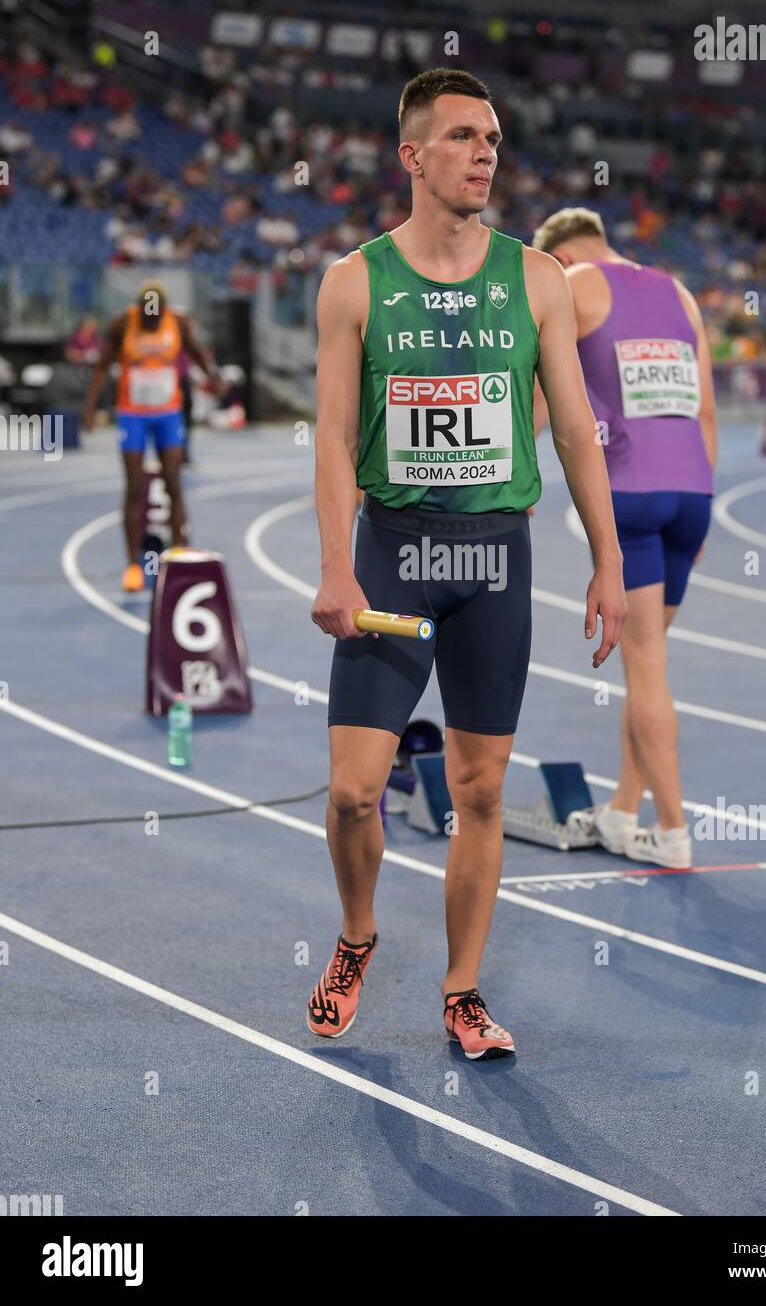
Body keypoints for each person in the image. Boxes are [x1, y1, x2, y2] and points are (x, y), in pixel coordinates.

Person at [308, 69, 627, 1059]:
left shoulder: (536, 280)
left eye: (492, 135)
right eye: (461, 136)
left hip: (496, 559)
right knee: (356, 789)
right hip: (395, 553)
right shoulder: (354, 280)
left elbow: (575, 431)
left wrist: (608, 561)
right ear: (412, 156)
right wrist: (334, 569)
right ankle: (358, 935)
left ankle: (462, 991)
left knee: (482, 790)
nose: (486, 150)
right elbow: (328, 434)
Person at [532, 207, 717, 869]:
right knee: (650, 666)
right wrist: (703, 505)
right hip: (690, 496)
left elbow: (538, 396)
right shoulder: (679, 293)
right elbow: (705, 410)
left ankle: (671, 831)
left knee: (643, 669)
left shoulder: (571, 283)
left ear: (557, 255)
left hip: (629, 497)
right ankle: (622, 809)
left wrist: (519, 484)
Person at [81, 283, 221, 591]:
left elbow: (197, 353)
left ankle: (181, 556)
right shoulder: (122, 324)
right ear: (139, 310)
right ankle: (133, 565)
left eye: (156, 319)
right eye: (147, 318)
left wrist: (214, 378)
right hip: (133, 414)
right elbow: (103, 366)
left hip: (168, 414)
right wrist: (89, 408)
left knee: (173, 481)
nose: (151, 323)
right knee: (133, 486)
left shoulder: (178, 323)